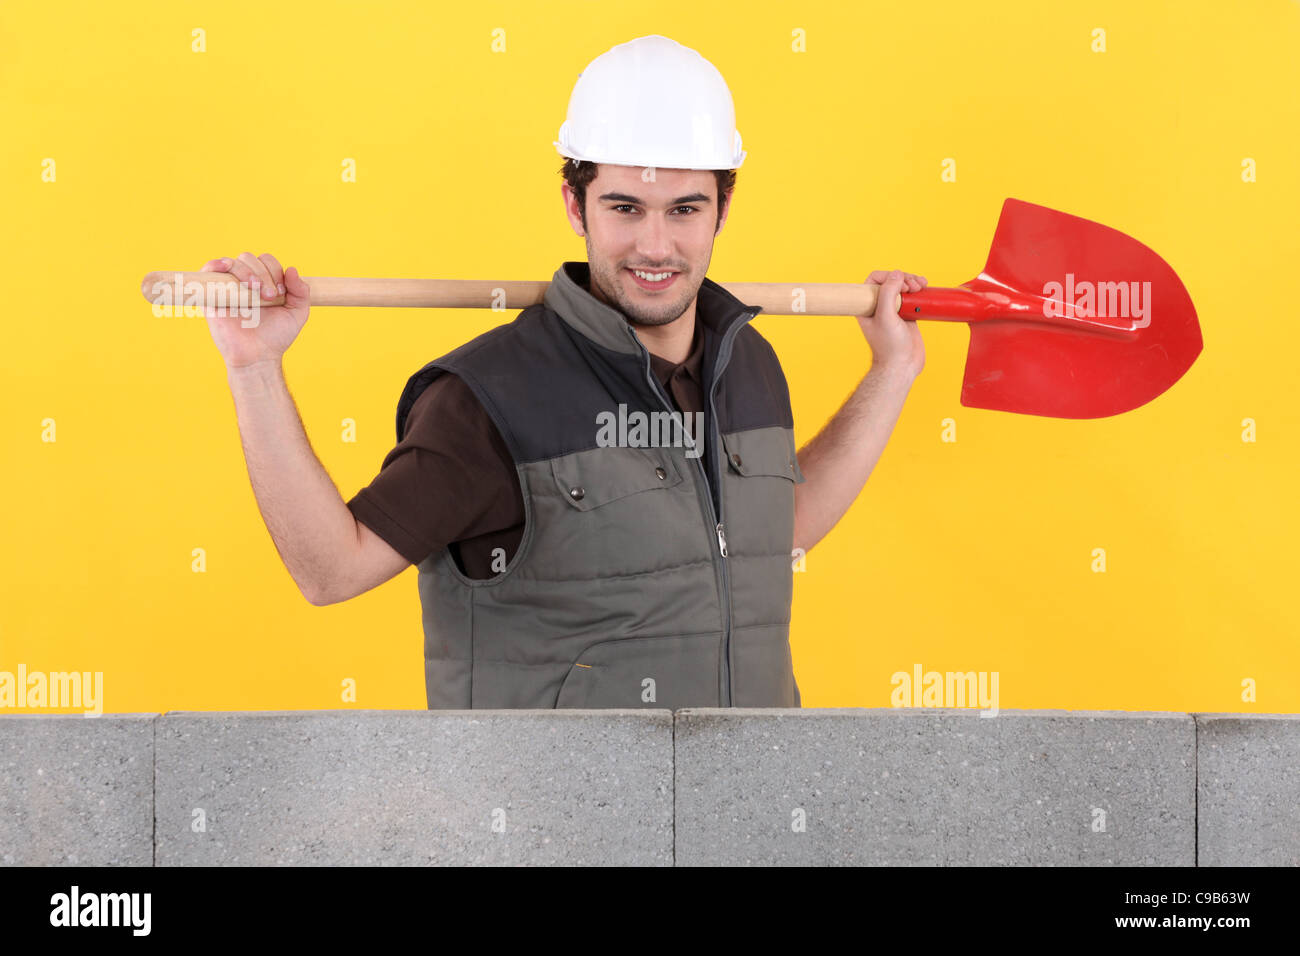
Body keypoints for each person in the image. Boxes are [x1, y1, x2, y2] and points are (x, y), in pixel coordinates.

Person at [199, 35, 926, 710]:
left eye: (684, 209)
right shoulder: (490, 400)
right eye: (624, 207)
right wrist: (255, 367)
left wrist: (891, 371)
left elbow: (775, 532)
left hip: (745, 810)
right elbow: (331, 571)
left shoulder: (748, 361)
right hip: (556, 826)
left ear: (723, 208)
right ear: (574, 204)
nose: (656, 244)